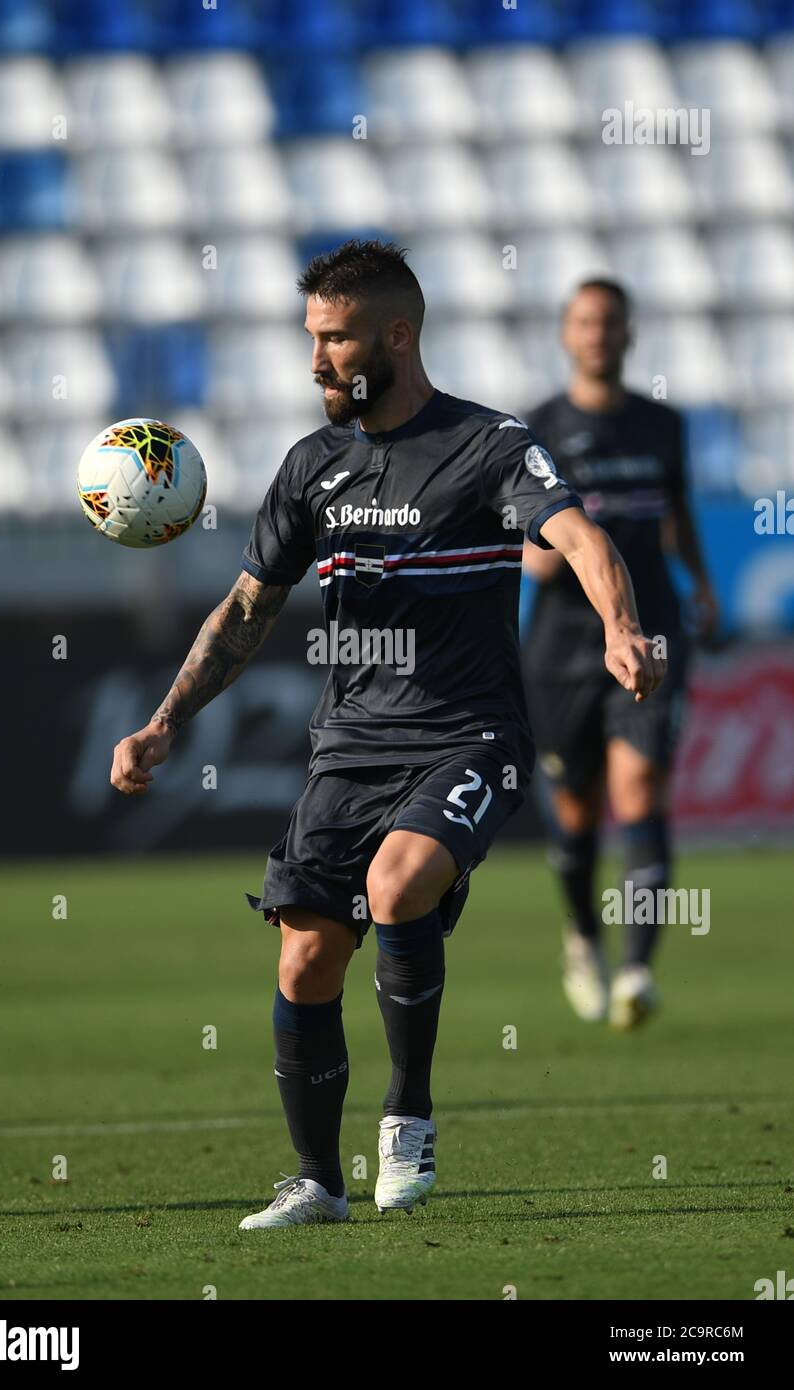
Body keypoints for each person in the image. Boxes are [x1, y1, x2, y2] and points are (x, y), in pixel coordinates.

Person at [110, 243, 666, 1229]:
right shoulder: (309, 468)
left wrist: (621, 625)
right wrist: (162, 723)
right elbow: (244, 611)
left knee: (397, 884)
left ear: (395, 336)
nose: (315, 358)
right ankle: (315, 1183)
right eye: (311, 337)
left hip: (470, 732)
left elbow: (579, 537)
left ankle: (406, 1120)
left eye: (334, 338)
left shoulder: (491, 446)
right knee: (303, 961)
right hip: (348, 746)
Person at [522, 279, 718, 1029]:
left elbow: (678, 510)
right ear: (567, 335)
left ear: (629, 335)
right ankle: (582, 936)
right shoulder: (536, 427)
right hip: (565, 643)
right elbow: (527, 536)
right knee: (574, 810)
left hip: (650, 631)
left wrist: (699, 584)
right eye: (585, 322)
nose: (598, 334)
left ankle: (637, 970)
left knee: (640, 789)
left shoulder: (662, 424)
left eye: (610, 322)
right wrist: (537, 553)